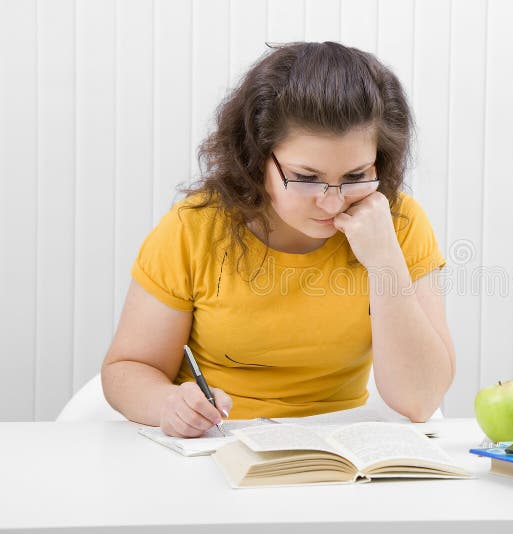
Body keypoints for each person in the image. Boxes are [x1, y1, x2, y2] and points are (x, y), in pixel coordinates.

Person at [101, 41, 455, 437]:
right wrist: (169, 403)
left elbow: (420, 401)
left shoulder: (396, 224)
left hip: (338, 445)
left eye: (355, 176)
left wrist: (384, 259)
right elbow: (128, 368)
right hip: (219, 441)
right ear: (256, 157)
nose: (332, 202)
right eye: (306, 178)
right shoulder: (195, 227)